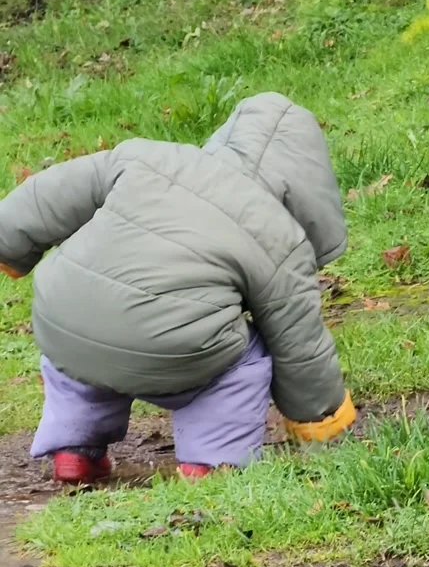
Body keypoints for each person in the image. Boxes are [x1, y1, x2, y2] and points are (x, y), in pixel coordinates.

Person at [0, 91, 355, 484]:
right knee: (246, 361)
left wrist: (8, 245)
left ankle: (74, 450)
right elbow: (298, 341)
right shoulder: (281, 237)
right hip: (171, 347)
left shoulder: (149, 159)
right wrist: (321, 414)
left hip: (60, 316)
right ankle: (210, 461)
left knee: (88, 332)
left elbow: (49, 195)